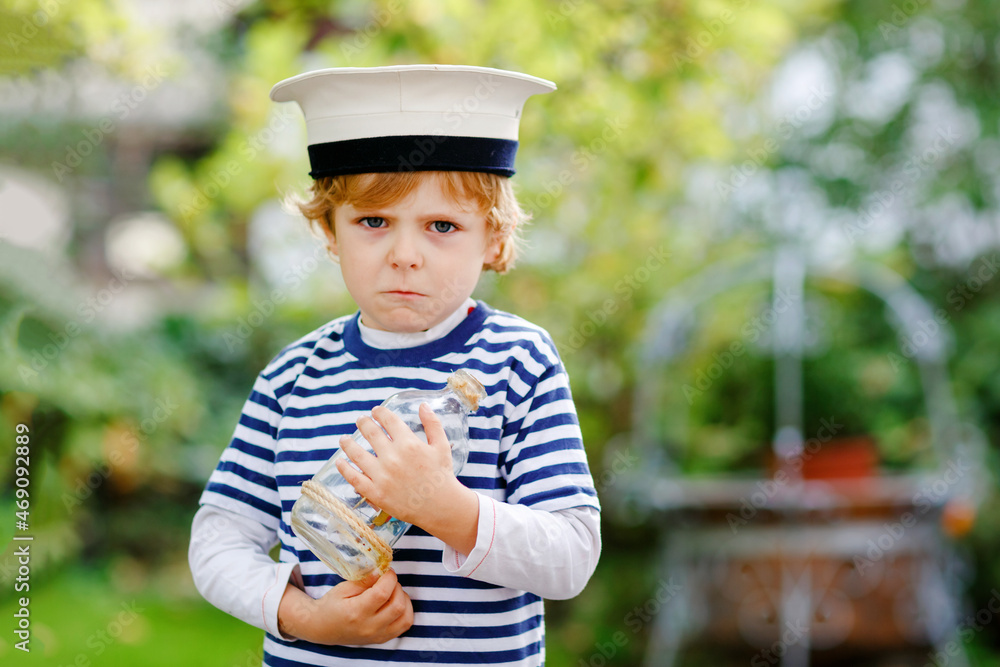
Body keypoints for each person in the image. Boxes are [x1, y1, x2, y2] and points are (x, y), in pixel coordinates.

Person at [189, 64, 601, 667]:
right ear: (330, 229)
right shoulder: (291, 378)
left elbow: (569, 558)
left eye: (442, 225)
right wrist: (306, 619)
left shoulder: (519, 363)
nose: (404, 255)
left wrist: (441, 506)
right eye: (373, 222)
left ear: (491, 236)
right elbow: (219, 540)